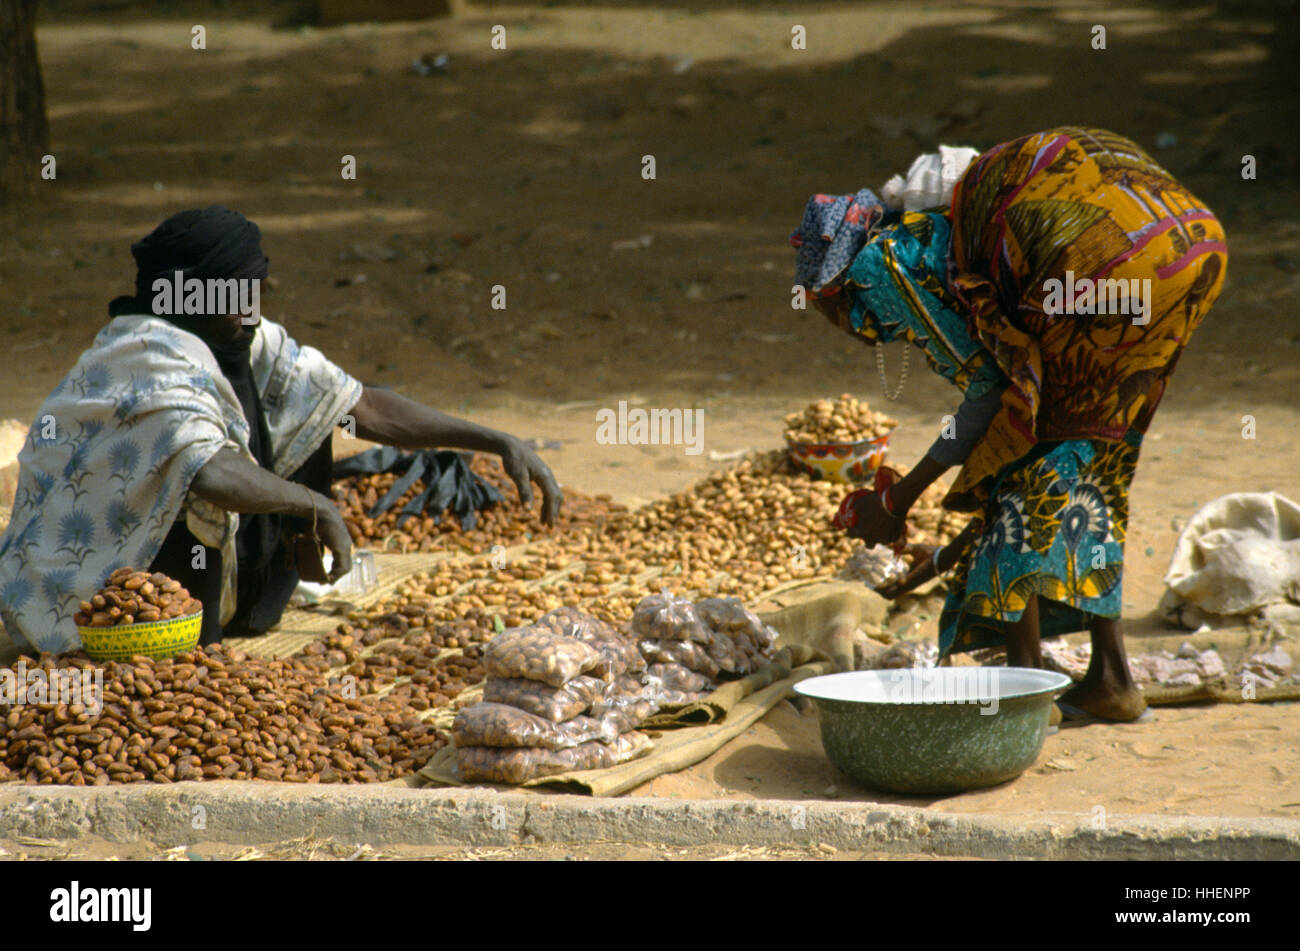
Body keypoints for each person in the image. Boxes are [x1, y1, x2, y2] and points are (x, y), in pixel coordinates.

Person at [792, 127, 1227, 723]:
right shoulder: (946, 240)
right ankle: (1112, 678)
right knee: (1093, 461)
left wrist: (899, 498)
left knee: (1017, 461)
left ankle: (1031, 687)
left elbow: (990, 393)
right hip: (1187, 250)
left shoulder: (883, 264)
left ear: (835, 285)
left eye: (826, 308)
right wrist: (943, 552)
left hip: (1102, 268)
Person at [0, 206, 563, 653]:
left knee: (313, 406)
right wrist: (312, 506)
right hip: (78, 600)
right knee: (197, 473)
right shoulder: (146, 352)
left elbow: (359, 407)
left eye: (255, 290)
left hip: (183, 571)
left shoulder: (236, 332)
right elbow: (213, 473)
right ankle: (181, 636)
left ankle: (244, 603)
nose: (250, 310)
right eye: (236, 295)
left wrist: (494, 440)